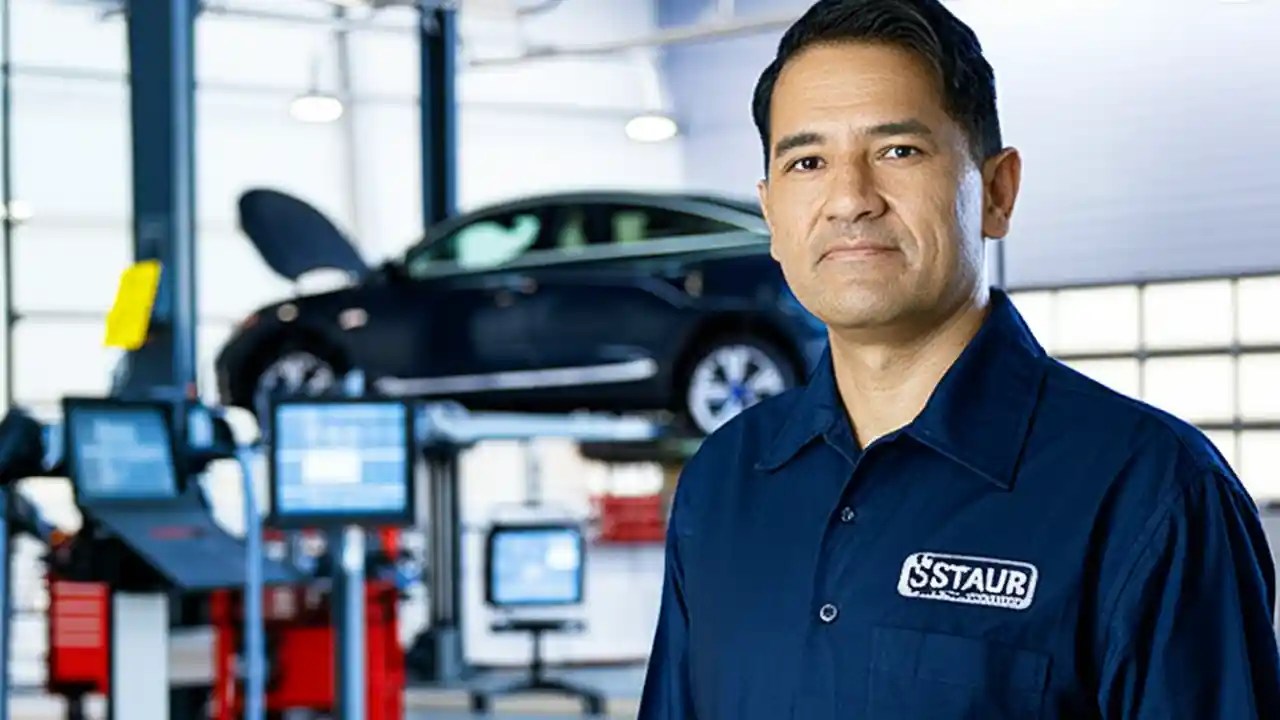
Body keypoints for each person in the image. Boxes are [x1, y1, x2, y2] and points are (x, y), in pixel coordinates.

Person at [637, 1, 1280, 718]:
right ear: (772, 215)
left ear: (997, 193)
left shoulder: (1151, 493)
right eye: (808, 161)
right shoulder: (723, 485)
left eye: (898, 151)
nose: (849, 199)